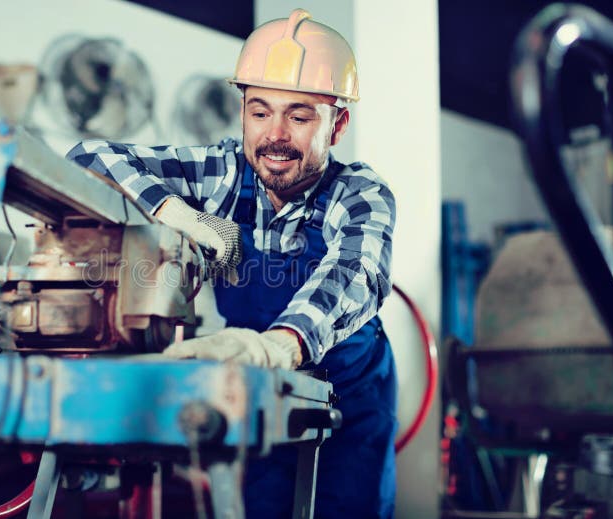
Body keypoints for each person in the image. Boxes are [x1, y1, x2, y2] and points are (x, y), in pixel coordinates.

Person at [67, 8, 397, 518]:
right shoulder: (222, 173)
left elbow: (355, 272)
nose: (275, 135)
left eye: (299, 117)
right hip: (260, 398)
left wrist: (276, 345)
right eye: (260, 112)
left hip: (350, 406)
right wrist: (178, 213)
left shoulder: (359, 193)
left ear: (338, 125)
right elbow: (85, 157)